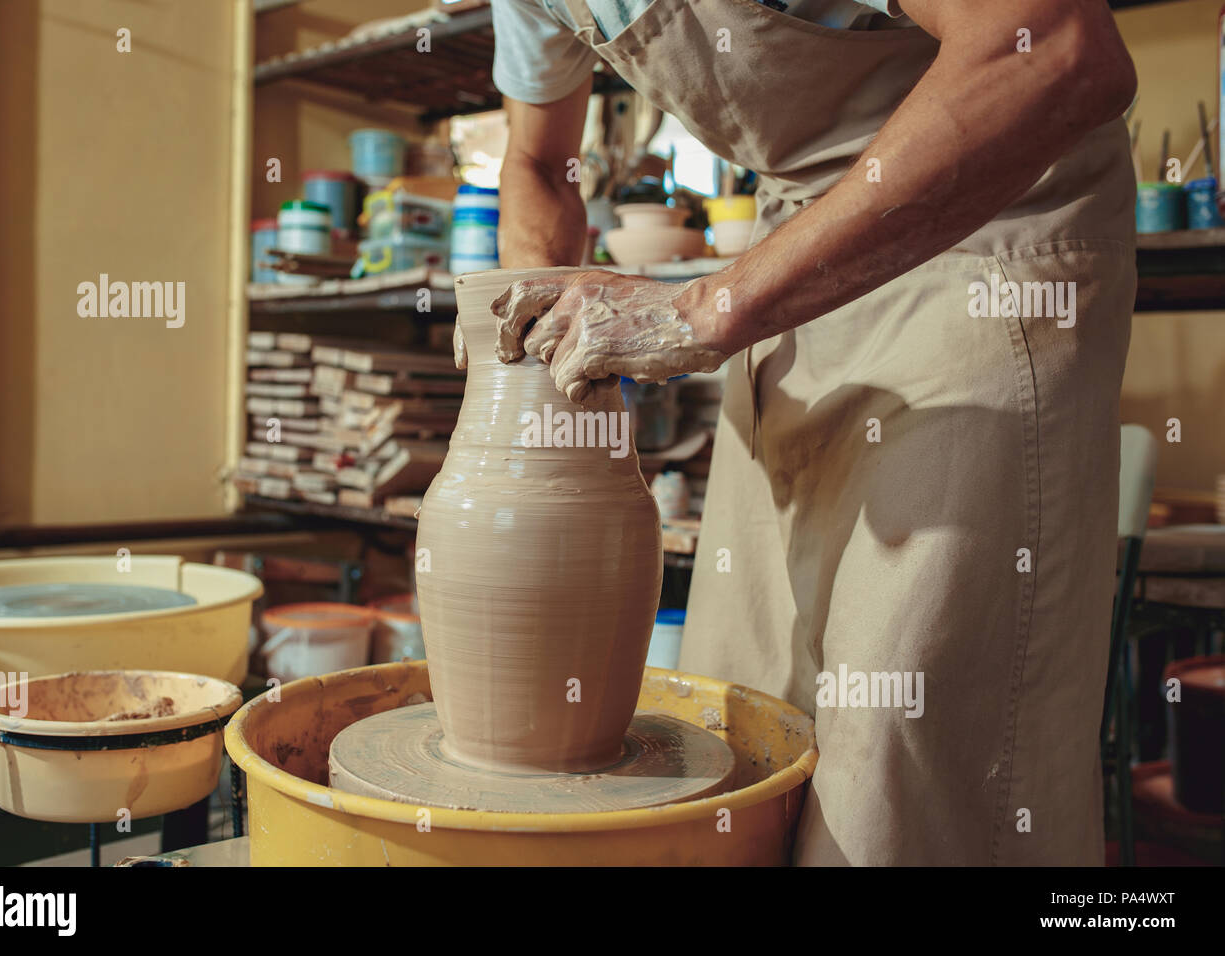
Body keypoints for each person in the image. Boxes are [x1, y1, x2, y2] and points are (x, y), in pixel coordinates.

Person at [482, 0, 1138, 865]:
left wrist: (708, 309)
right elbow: (537, 159)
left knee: (895, 766)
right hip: (792, 255)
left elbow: (1053, 47)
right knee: (738, 730)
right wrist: (530, 382)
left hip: (985, 239)